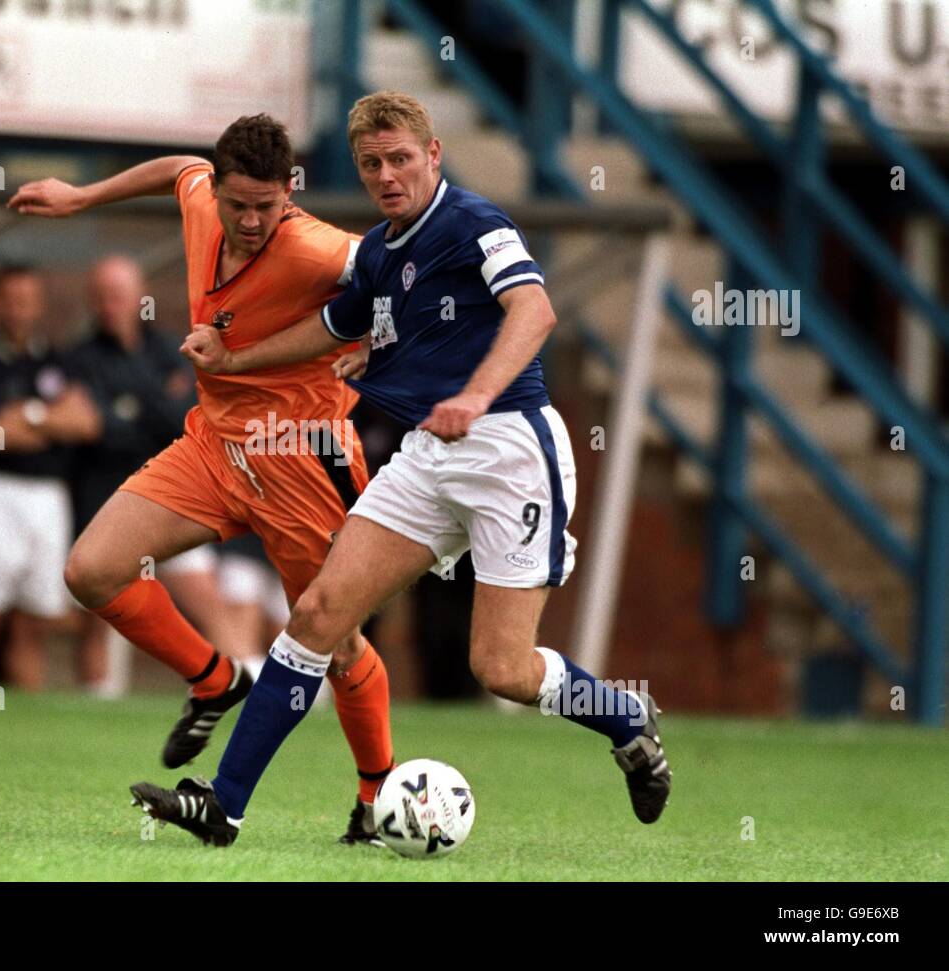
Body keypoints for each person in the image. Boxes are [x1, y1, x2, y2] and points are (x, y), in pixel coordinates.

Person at [132, 91, 672, 846]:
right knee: (319, 614)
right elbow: (330, 324)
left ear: (434, 156)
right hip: (428, 455)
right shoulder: (382, 253)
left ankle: (625, 717)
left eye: (400, 159)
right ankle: (222, 806)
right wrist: (236, 357)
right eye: (371, 164)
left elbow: (535, 311)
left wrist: (476, 393)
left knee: (501, 667)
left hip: (510, 450)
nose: (387, 175)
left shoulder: (474, 223)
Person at [8, 114, 397, 843]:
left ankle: (375, 798)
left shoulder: (318, 246)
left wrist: (383, 339)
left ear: (291, 192)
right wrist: (81, 197)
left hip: (301, 457)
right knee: (91, 571)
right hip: (213, 446)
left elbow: (395, 278)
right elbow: (178, 165)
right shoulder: (200, 200)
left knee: (335, 644)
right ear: (216, 192)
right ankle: (215, 678)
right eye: (238, 203)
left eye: (267, 205)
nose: (251, 220)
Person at [62, 254, 232, 693]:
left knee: (208, 601)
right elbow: (91, 426)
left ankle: (236, 685)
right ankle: (101, 703)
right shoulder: (79, 358)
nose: (108, 305)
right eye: (99, 296)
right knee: (100, 604)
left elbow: (186, 416)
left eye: (116, 295)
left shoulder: (171, 349)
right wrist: (144, 408)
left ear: (140, 297)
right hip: (104, 500)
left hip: (171, 500)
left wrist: (125, 411)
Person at [0, 265, 103, 689]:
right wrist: (51, 422)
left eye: (27, 299)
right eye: (10, 299)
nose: (19, 309)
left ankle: (20, 733)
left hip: (48, 499)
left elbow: (86, 424)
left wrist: (29, 415)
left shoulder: (57, 360)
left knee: (35, 623)